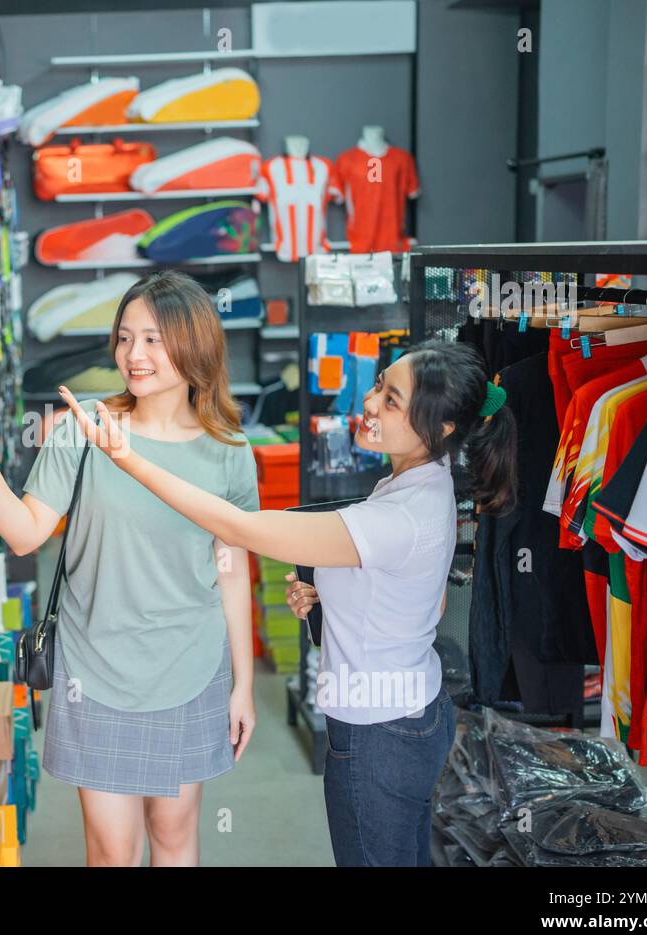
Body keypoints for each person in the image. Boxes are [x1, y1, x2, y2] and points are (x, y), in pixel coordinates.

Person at [56, 339, 518, 866]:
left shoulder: (395, 516)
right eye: (379, 385)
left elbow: (238, 527)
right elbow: (426, 605)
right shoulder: (422, 485)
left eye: (392, 401)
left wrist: (126, 458)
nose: (369, 403)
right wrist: (336, 597)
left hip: (378, 737)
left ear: (441, 429)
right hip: (415, 716)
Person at [0, 271, 261, 867]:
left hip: (189, 665)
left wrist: (243, 683)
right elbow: (24, 534)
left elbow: (230, 566)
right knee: (113, 852)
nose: (133, 355)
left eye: (153, 339)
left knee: (174, 836)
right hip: (94, 670)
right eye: (125, 338)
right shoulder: (84, 429)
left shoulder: (228, 451)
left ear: (194, 344)